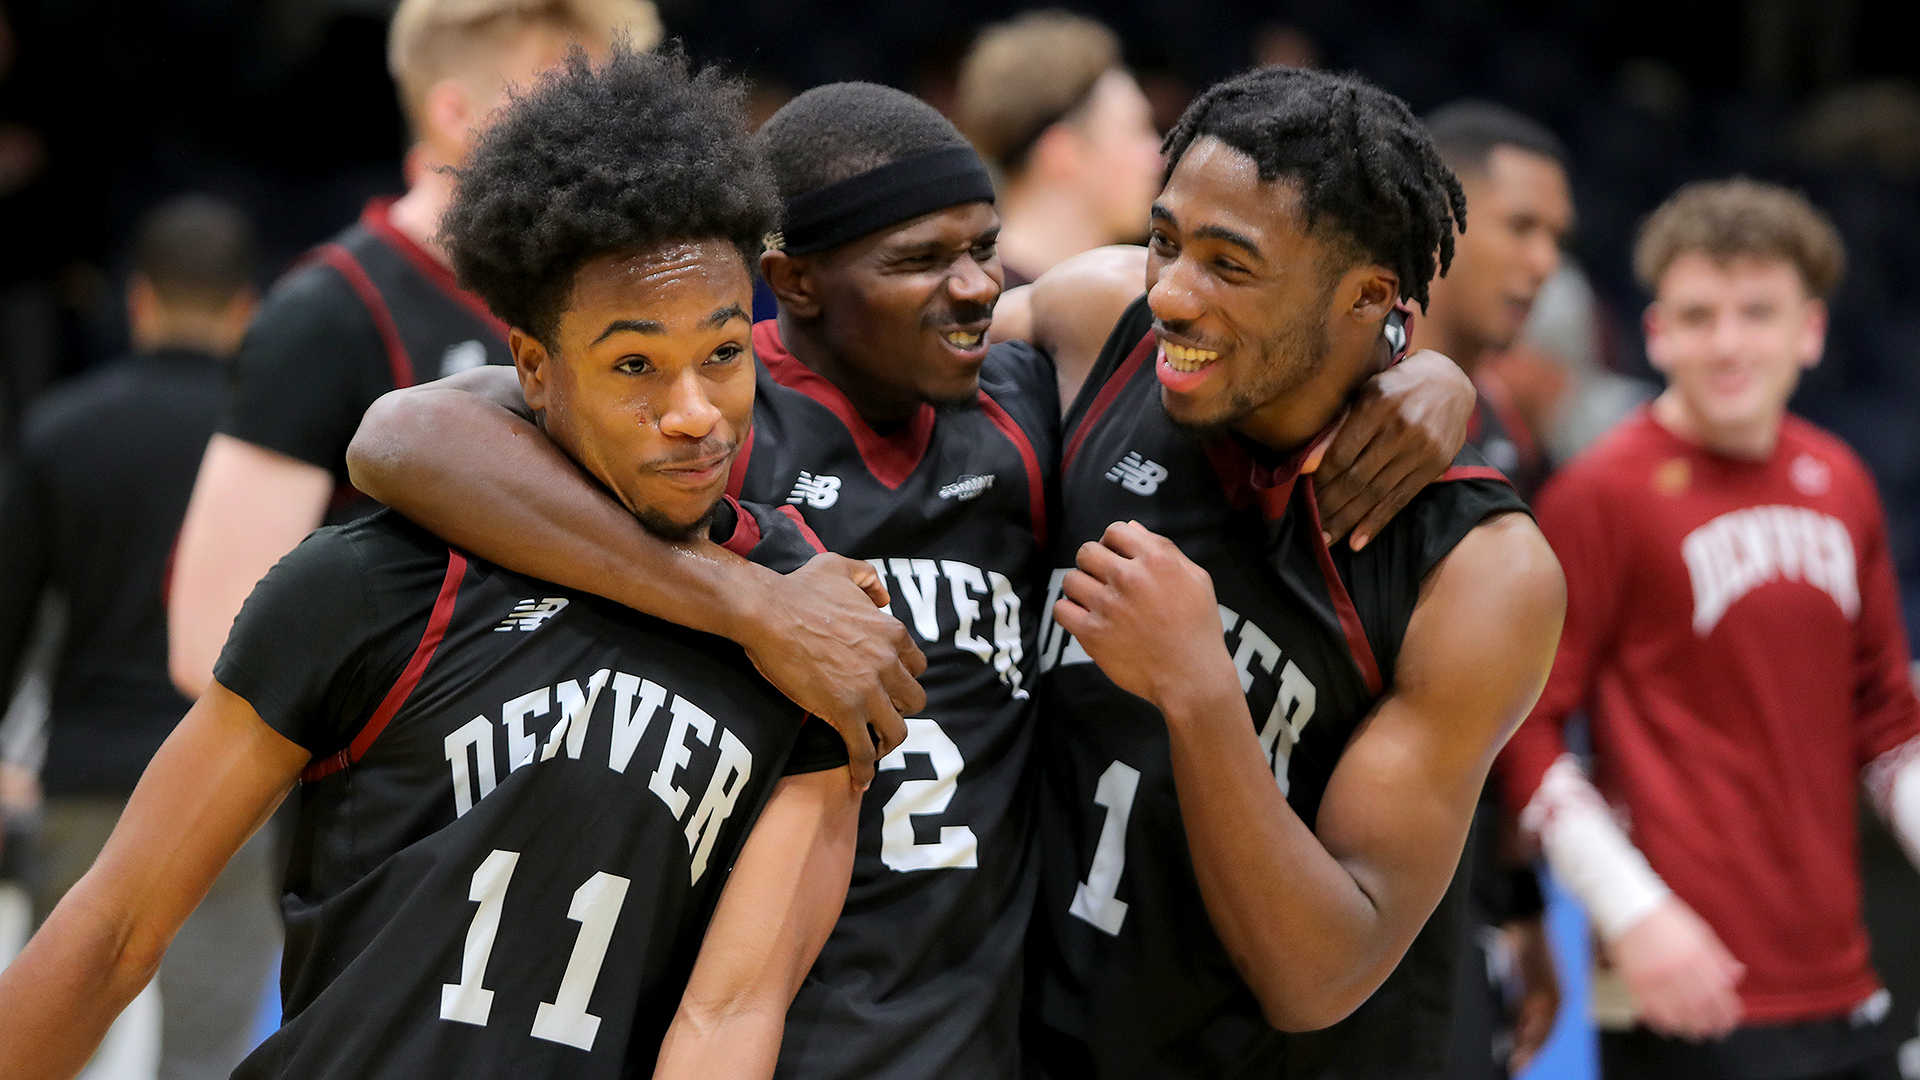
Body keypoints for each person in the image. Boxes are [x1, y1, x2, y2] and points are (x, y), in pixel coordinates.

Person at [345, 79, 1480, 1077]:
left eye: (986, 247)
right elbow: (404, 439)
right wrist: (750, 599)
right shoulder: (725, 422)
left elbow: (1299, 324)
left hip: (971, 1035)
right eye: (922, 260)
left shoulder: (1026, 402)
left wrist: (1422, 374)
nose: (978, 287)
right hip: (740, 1016)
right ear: (792, 285)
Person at [0, 45, 860, 1080]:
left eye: (722, 355)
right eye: (634, 365)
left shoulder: (803, 615)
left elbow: (728, 1017)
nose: (692, 414)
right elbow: (112, 930)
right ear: (533, 368)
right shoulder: (371, 584)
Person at [1017, 65, 1566, 1080]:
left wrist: (1199, 688)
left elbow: (1322, 971)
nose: (1174, 293)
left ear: (1365, 296)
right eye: (1166, 240)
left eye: (1231, 265)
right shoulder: (1098, 324)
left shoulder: (1481, 568)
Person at [1496, 178, 1920, 1080]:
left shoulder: (1841, 480)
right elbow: (1524, 731)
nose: (1727, 343)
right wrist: (1632, 912)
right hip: (1681, 990)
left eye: (1756, 313)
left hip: (1843, 977)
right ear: (1656, 334)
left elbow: (1888, 723)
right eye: (1698, 315)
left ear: (1809, 330)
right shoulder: (1600, 493)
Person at [163, 0, 661, 696]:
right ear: (455, 116)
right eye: (564, 104)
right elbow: (209, 640)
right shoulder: (328, 312)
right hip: (411, 791)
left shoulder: (607, 299)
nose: (602, 138)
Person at [0, 193, 273, 1080]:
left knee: (51, 1049)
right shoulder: (278, 450)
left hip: (86, 780)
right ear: (248, 309)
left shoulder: (60, 431)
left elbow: (5, 624)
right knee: (204, 1061)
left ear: (139, 299)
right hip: (235, 785)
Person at [1420, 99, 1577, 1079]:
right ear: (1439, 217)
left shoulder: (1514, 434)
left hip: (1461, 893)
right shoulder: (1324, 403)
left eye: (1557, 237)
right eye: (1522, 226)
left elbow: (1514, 706)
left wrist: (1520, 907)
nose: (1545, 263)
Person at [955, 10, 1163, 290]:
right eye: (1138, 131)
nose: (1159, 156)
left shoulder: (975, 287)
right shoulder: (984, 309)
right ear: (1065, 153)